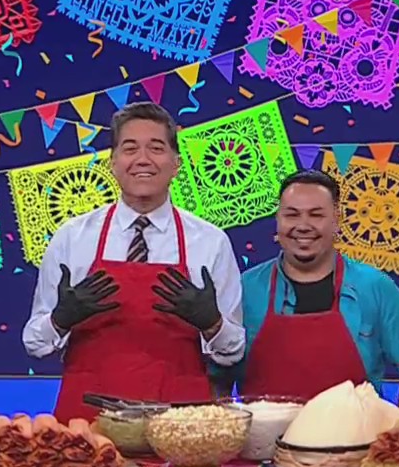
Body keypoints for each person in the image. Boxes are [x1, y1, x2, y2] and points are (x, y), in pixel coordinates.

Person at [22, 102, 244, 420]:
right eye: (129, 148)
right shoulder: (72, 238)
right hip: (88, 422)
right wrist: (61, 319)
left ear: (176, 163)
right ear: (112, 163)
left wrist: (212, 323)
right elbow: (34, 342)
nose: (142, 159)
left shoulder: (211, 242)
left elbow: (233, 351)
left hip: (179, 423)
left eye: (156, 148)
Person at [224, 170, 399, 405]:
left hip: (358, 440)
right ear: (278, 221)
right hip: (264, 441)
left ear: (336, 221)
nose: (303, 226)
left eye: (316, 215)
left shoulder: (374, 287)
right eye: (291, 215)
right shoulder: (244, 288)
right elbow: (219, 370)